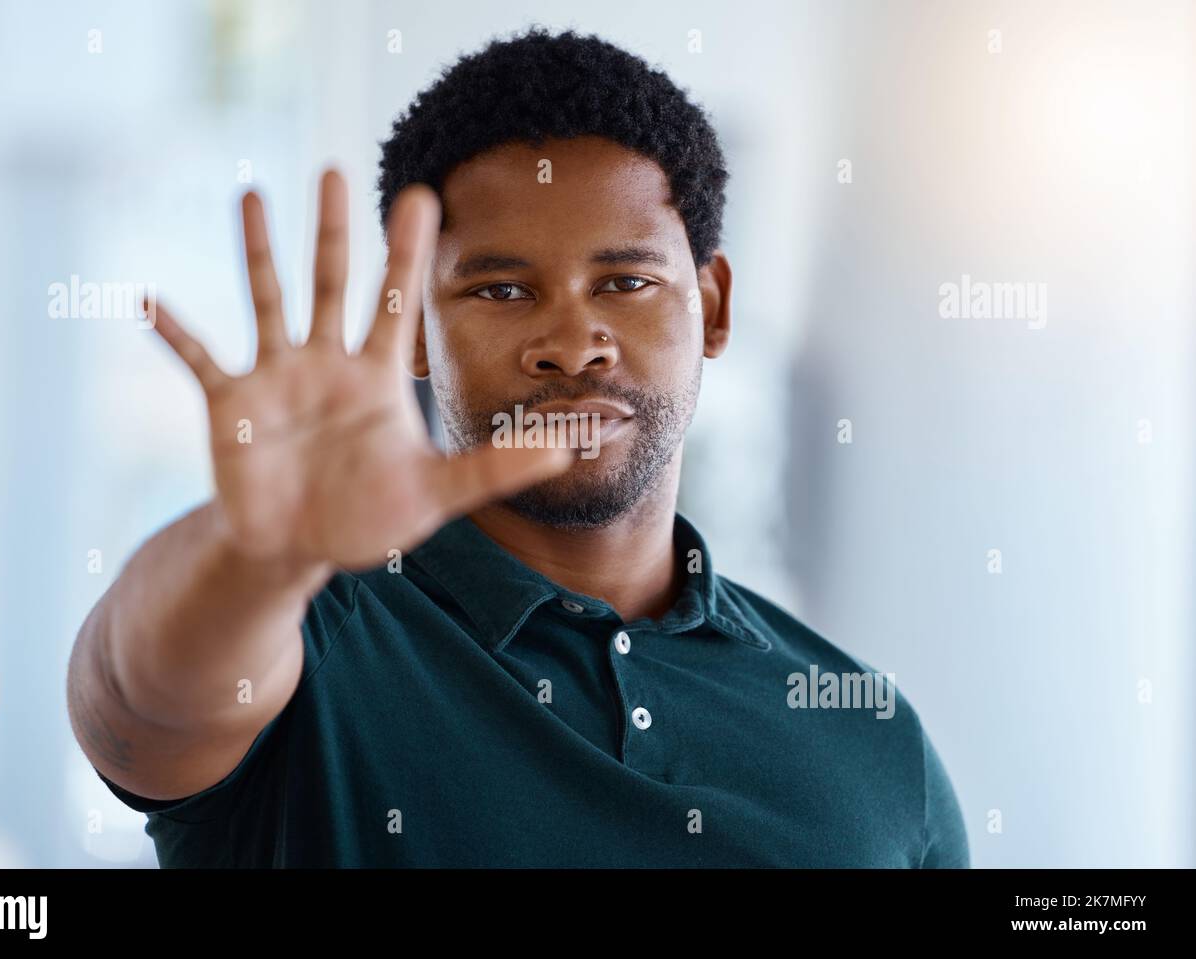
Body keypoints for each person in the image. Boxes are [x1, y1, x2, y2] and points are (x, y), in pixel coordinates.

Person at [66, 26, 969, 868]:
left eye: (624, 281)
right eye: (501, 292)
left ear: (715, 307)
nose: (572, 344)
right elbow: (134, 698)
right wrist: (254, 555)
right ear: (418, 326)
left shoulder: (874, 741)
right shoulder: (313, 637)